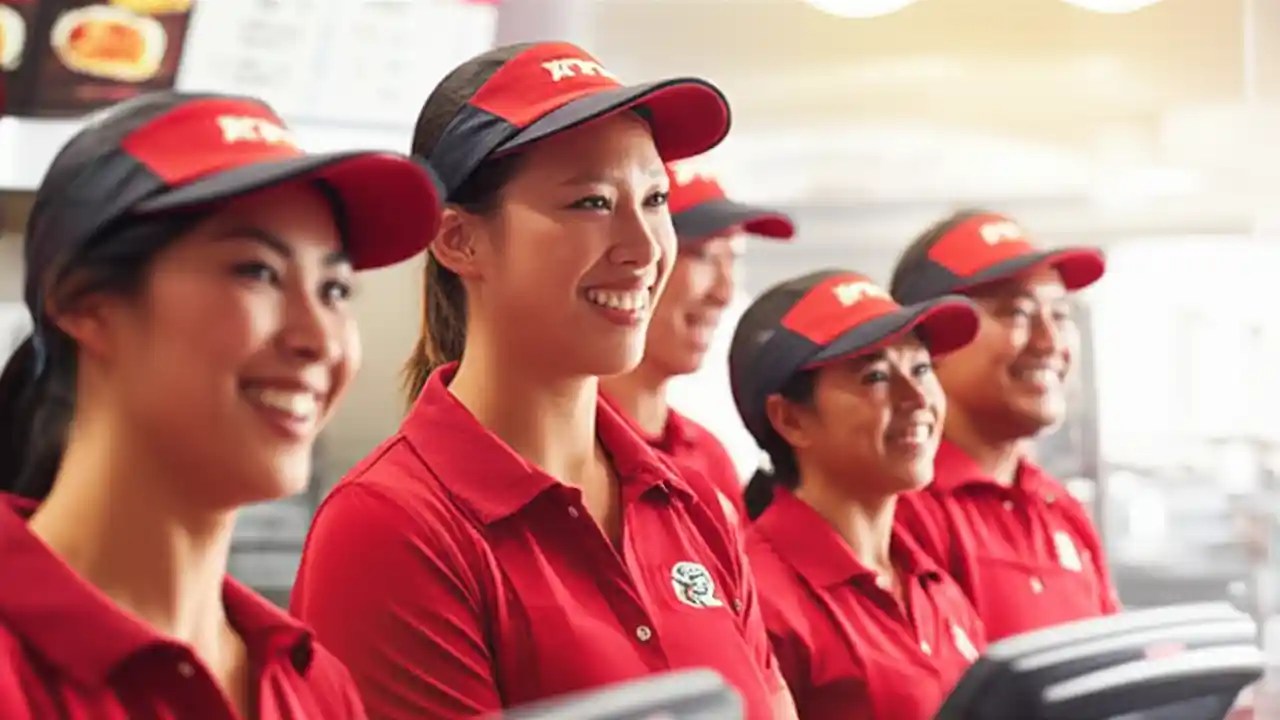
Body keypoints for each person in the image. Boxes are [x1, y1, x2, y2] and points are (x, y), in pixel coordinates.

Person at [289, 41, 797, 720]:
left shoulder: (692, 501)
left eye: (653, 199)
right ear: (459, 240)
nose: (645, 248)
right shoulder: (390, 528)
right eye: (590, 201)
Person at [0, 91, 442, 717]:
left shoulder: (315, 687)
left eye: (335, 288)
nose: (317, 339)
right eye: (256, 272)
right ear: (83, 303)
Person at [729, 269, 987, 719]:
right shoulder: (761, 599)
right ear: (790, 419)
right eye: (874, 377)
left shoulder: (934, 586)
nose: (916, 398)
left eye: (921, 368)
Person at [889, 209, 1120, 642]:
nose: (1049, 342)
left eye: (1061, 315)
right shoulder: (902, 512)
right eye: (1016, 313)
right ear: (933, 339)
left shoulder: (1062, 509)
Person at [602, 156, 794, 522]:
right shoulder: (567, 448)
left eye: (732, 259)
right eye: (702, 255)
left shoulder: (709, 457)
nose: (724, 292)